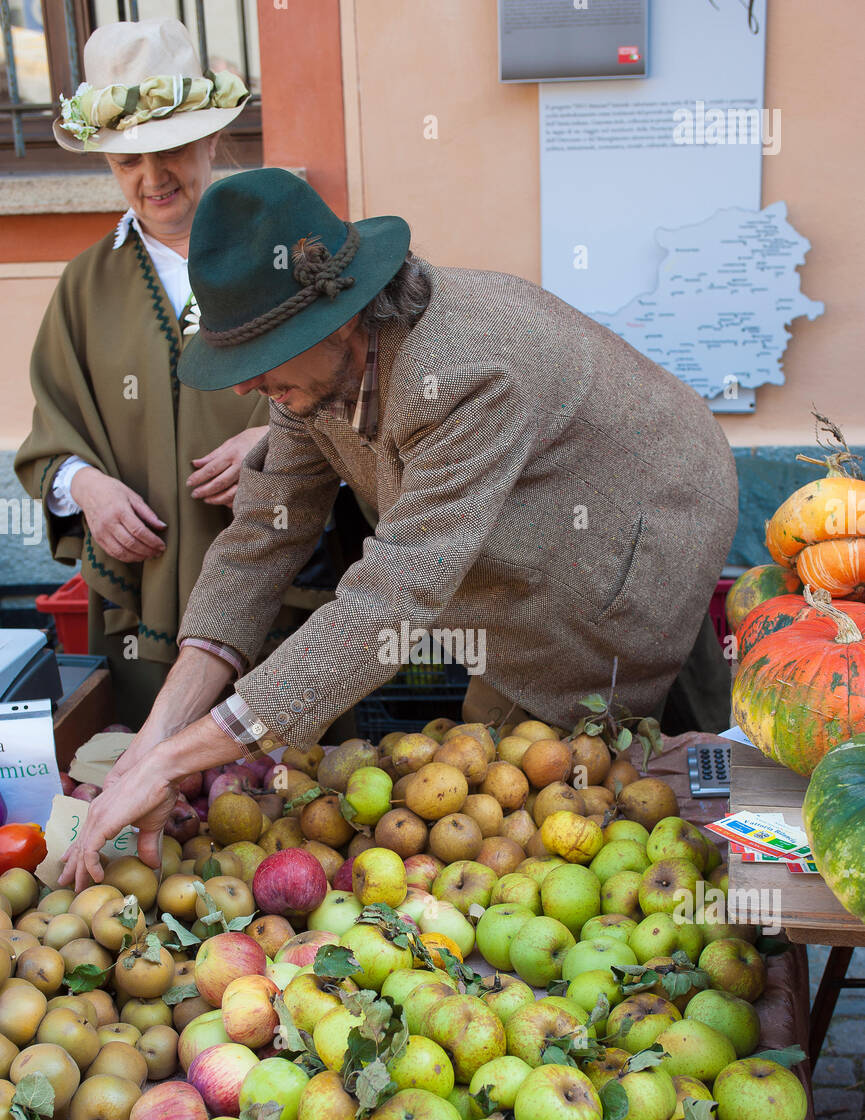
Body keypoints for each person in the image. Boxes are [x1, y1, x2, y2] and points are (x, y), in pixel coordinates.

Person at [62, 167, 738, 888]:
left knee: (558, 787)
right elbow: (262, 538)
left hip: (639, 525)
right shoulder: (309, 376)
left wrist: (177, 759)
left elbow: (393, 597)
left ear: (340, 319)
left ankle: (725, 875)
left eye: (256, 361)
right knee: (494, 769)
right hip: (545, 501)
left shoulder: (463, 371)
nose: (242, 386)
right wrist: (157, 739)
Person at [14, 18, 290, 725]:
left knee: (298, 791)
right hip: (148, 609)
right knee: (166, 797)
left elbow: (360, 395)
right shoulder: (84, 285)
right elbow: (50, 439)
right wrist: (89, 488)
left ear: (210, 139)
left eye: (169, 149)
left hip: (284, 587)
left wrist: (280, 443)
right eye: (125, 161)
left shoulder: (286, 257)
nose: (151, 177)